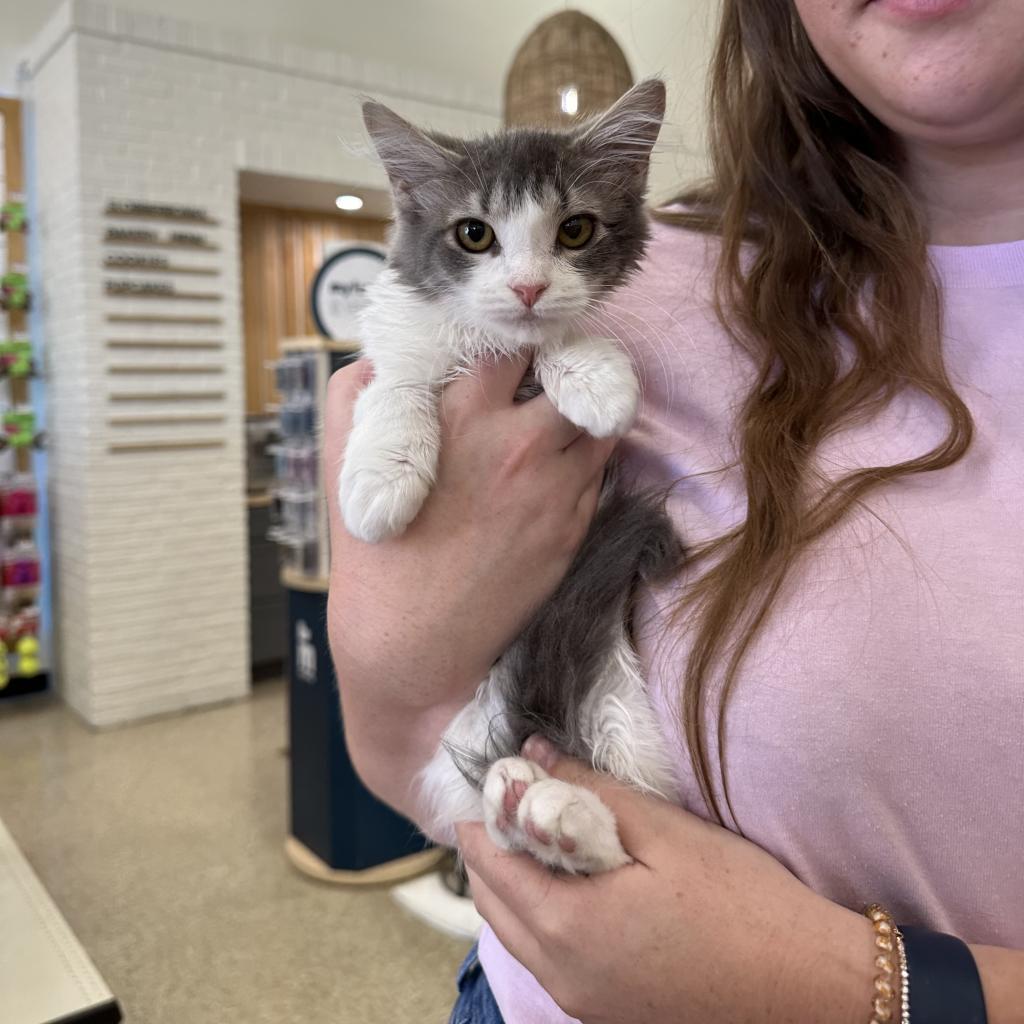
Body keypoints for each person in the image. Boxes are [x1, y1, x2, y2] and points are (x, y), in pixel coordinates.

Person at [324, 0, 1024, 1020]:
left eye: (561, 235)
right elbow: (402, 757)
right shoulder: (624, 303)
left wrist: (851, 988)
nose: (526, 279)